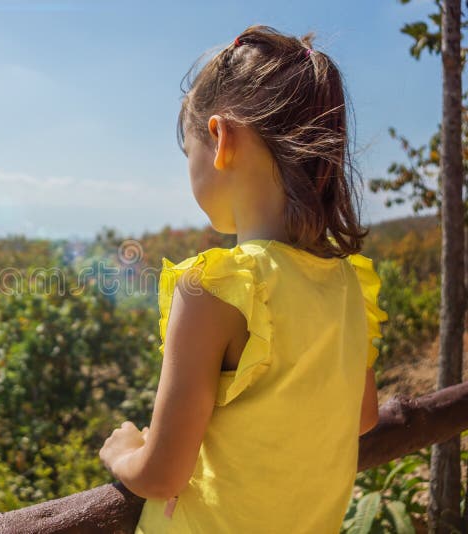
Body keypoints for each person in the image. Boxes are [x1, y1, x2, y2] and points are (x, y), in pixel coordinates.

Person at [98, 24, 389, 533]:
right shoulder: (347, 284)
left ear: (219, 138)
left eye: (187, 154)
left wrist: (125, 452)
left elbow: (163, 472)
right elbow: (362, 417)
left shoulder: (216, 285)